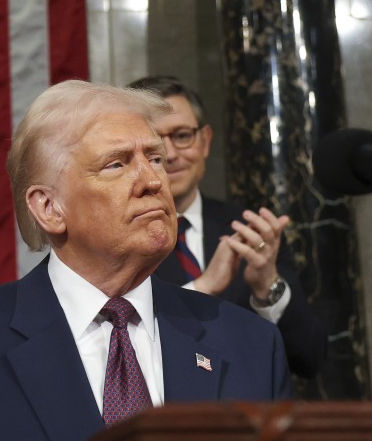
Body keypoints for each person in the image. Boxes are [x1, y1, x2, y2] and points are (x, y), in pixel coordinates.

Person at [0, 81, 290, 441]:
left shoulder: (250, 344)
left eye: (156, 158)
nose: (152, 181)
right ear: (49, 208)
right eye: (116, 164)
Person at [126, 75, 326, 379]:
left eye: (182, 135)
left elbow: (309, 358)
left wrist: (267, 288)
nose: (171, 154)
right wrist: (203, 287)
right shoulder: (114, 238)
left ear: (205, 141)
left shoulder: (251, 230)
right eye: (154, 142)